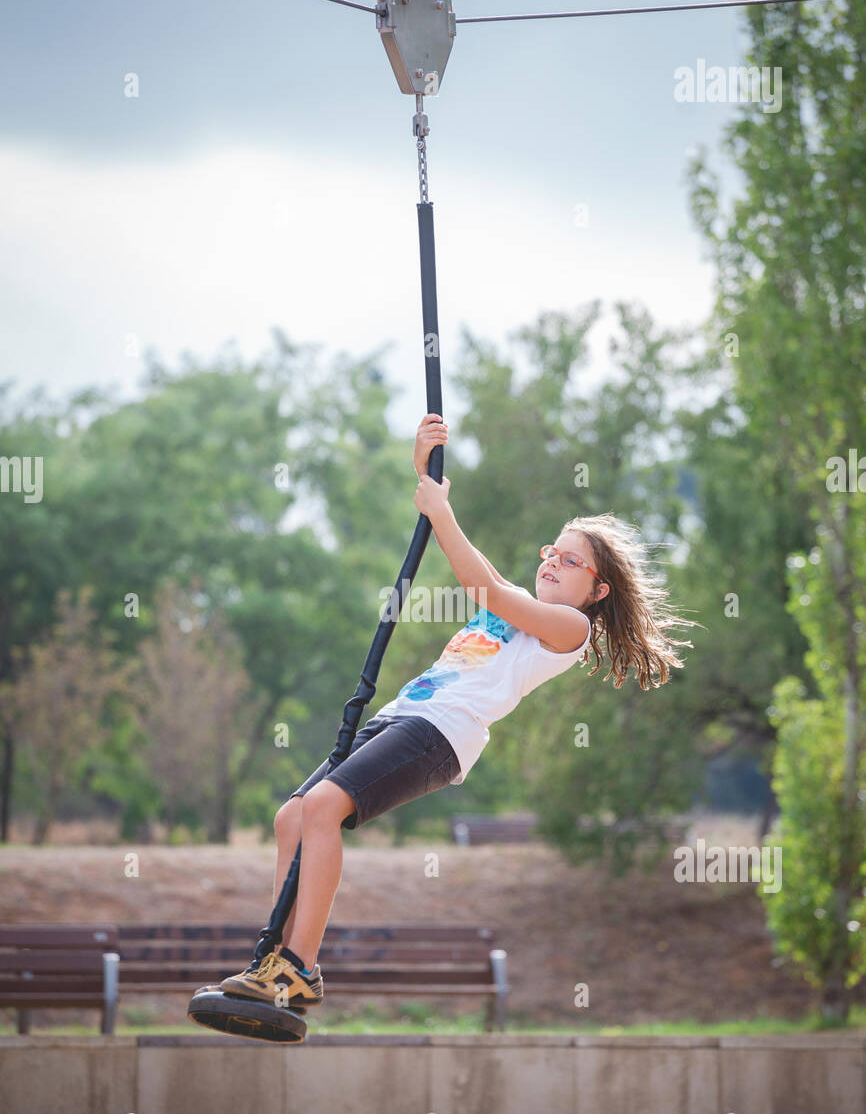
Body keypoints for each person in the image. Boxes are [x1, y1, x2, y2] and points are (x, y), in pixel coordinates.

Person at [219, 413, 698, 1010]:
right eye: (553, 551)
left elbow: (484, 588)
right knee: (292, 818)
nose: (552, 561)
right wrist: (427, 478)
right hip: (403, 717)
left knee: (321, 809)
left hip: (441, 735)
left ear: (598, 591)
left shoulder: (569, 629)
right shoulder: (523, 601)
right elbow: (484, 573)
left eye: (572, 562)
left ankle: (299, 966)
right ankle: (278, 968)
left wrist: (439, 512)